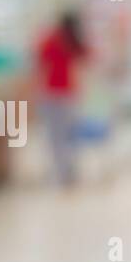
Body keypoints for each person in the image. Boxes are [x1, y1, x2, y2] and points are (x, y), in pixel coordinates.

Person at [34, 10, 88, 187]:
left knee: (54, 137)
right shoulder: (74, 41)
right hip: (70, 95)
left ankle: (60, 175)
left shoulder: (52, 39)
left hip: (53, 94)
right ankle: (69, 172)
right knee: (68, 136)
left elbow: (39, 62)